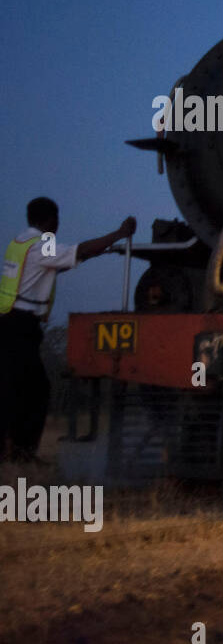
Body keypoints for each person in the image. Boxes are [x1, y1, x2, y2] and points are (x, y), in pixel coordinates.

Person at [0, 197, 136, 462]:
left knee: (16, 389)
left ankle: (16, 451)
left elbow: (61, 262)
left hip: (12, 323)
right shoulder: (40, 246)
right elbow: (78, 251)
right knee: (32, 390)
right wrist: (118, 234)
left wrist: (88, 253)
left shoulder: (20, 243)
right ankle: (21, 452)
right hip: (19, 326)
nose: (59, 224)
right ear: (50, 220)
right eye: (57, 219)